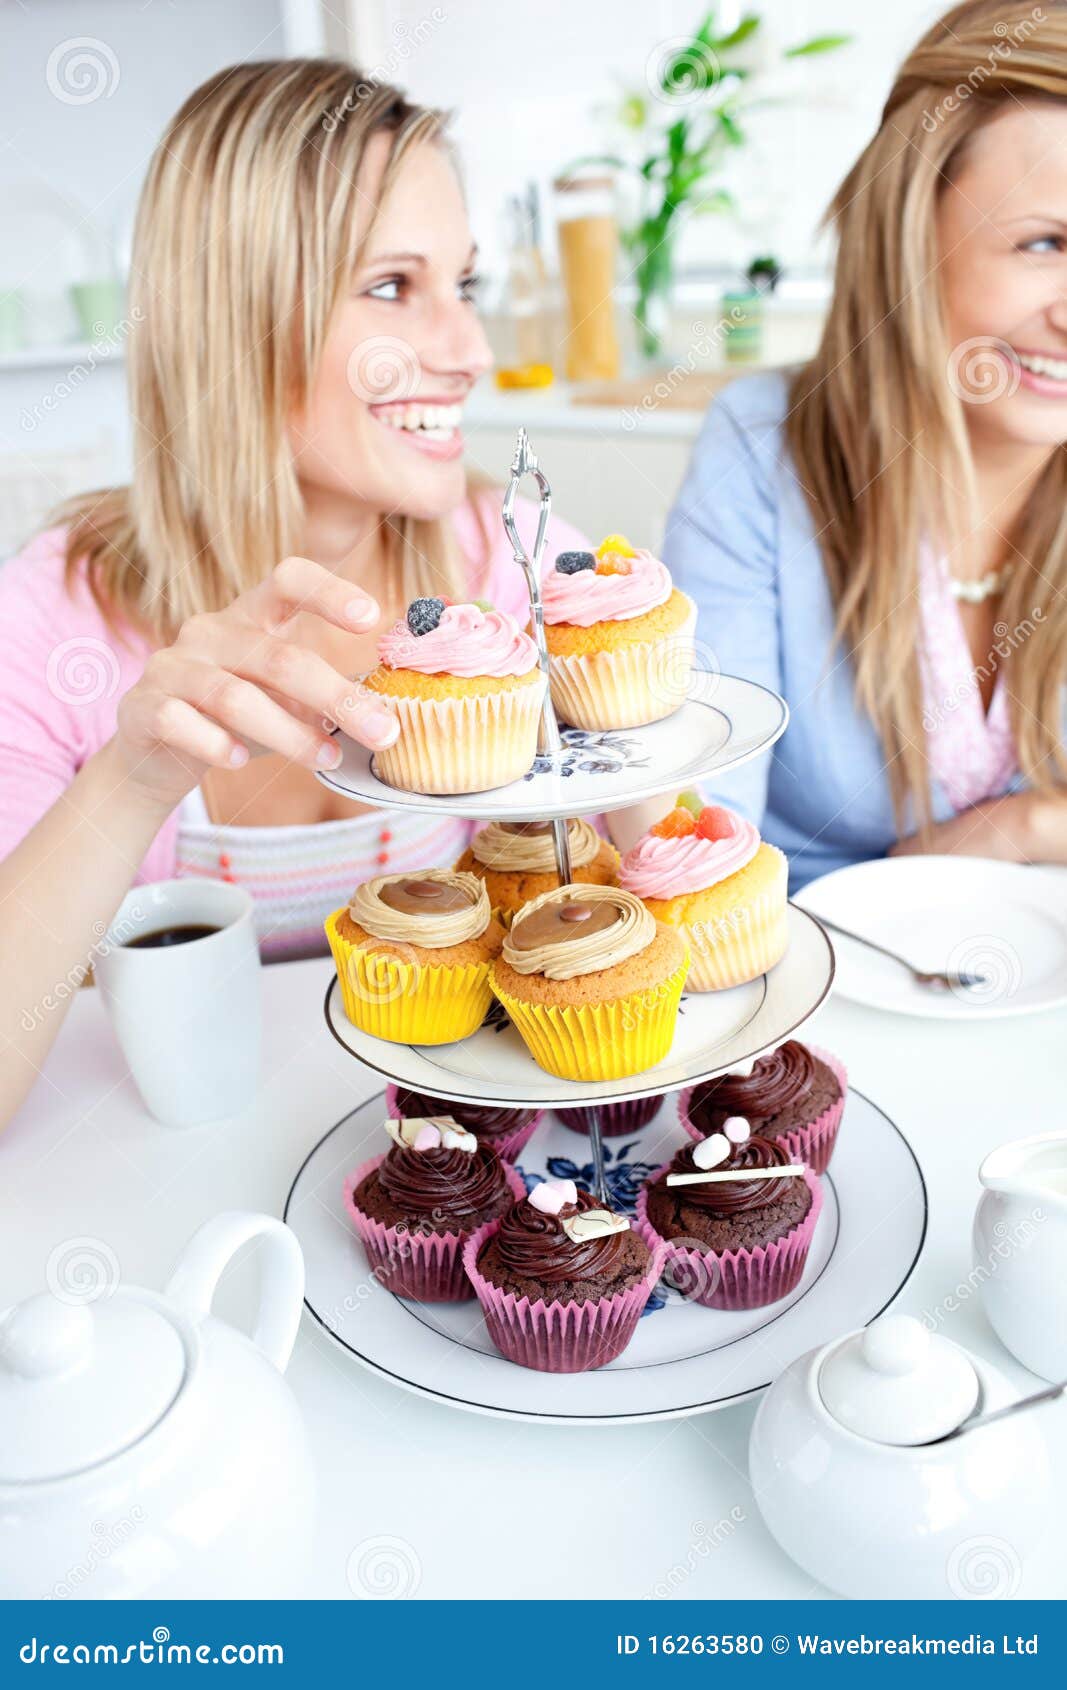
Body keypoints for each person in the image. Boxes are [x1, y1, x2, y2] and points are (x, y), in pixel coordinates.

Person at [0, 60, 588, 1121]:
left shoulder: (519, 564)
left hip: (447, 1170)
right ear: (233, 316)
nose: (469, 350)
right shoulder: (53, 617)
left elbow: (685, 930)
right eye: (390, 286)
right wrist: (133, 779)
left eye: (464, 284)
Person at [665, 0, 1067, 891]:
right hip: (817, 984)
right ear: (908, 237)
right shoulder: (765, 451)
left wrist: (1026, 825)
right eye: (1042, 242)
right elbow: (696, 841)